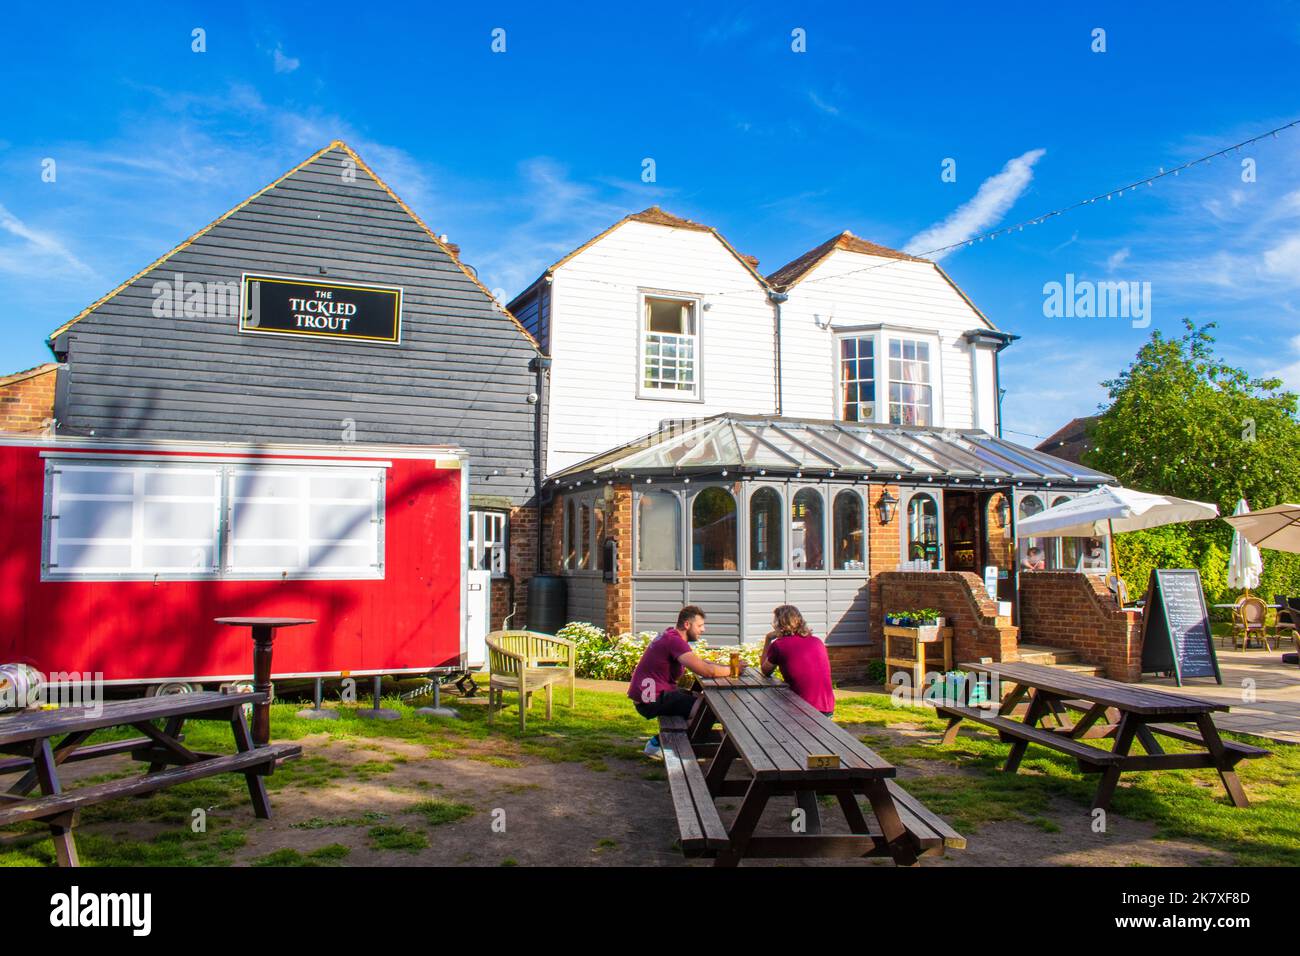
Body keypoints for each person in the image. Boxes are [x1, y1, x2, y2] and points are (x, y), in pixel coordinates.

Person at [629, 605, 730, 759]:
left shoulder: (671, 635)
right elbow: (706, 671)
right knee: (707, 711)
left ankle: (663, 742)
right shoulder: (674, 641)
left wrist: (726, 666)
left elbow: (700, 662)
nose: (703, 629)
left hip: (652, 696)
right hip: (652, 699)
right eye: (700, 625)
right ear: (687, 625)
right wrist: (734, 671)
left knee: (701, 701)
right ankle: (660, 744)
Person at [760, 605, 835, 716]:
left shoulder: (779, 645)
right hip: (827, 706)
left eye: (774, 621)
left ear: (779, 624)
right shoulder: (817, 641)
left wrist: (768, 639)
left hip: (802, 708)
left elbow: (765, 671)